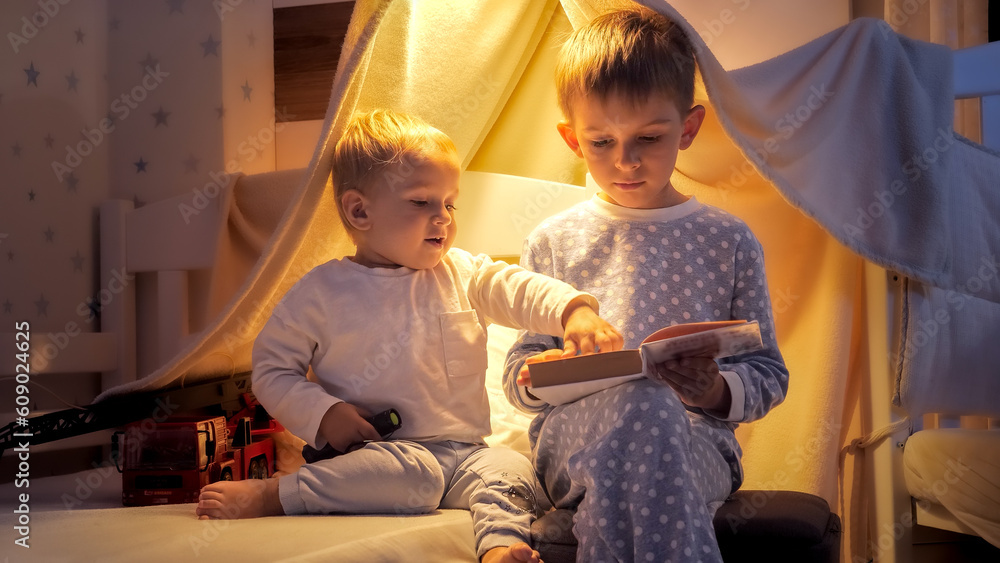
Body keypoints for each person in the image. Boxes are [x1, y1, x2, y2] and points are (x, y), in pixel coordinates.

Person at [196, 108, 623, 563]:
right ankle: (276, 495)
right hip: (385, 453)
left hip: (468, 453)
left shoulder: (462, 272)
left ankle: (499, 546)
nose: (443, 218)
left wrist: (573, 311)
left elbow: (518, 288)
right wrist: (325, 414)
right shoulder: (322, 292)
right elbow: (271, 369)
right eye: (421, 203)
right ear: (360, 210)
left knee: (512, 469)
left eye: (450, 204)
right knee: (410, 476)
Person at [502, 8, 789, 562]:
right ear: (572, 139)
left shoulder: (728, 241)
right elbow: (519, 379)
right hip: (572, 443)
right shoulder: (553, 241)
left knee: (651, 411)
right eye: (601, 142)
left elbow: (768, 374)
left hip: (696, 444)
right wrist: (550, 370)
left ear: (688, 128)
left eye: (648, 138)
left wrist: (712, 391)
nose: (625, 161)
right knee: (643, 404)